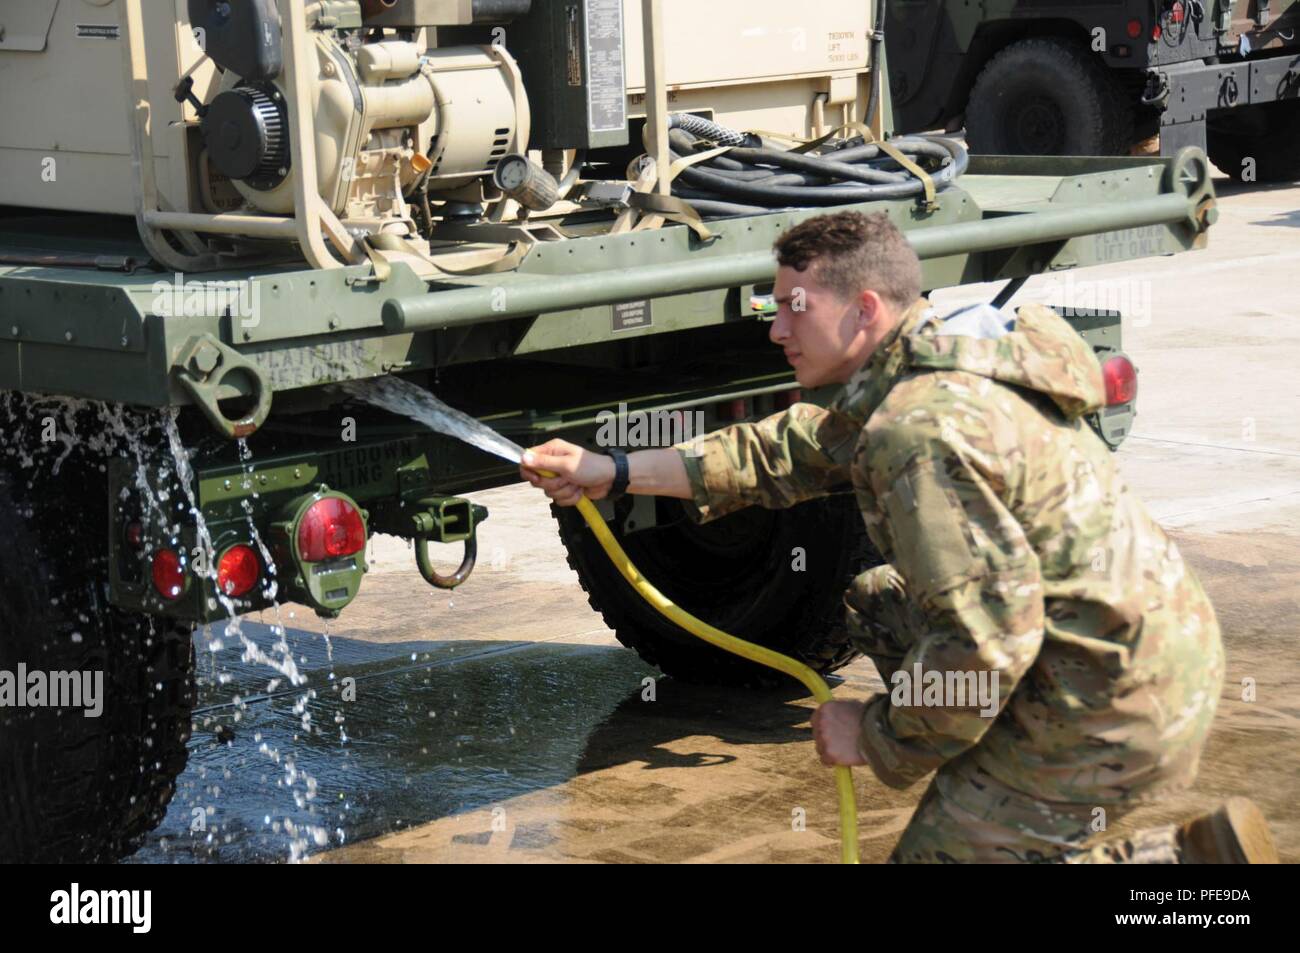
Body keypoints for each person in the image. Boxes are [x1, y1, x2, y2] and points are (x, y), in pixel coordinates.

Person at [519, 210, 1278, 863]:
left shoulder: (917, 432)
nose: (776, 328)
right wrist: (611, 469)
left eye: (794, 306)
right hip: (1152, 644)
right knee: (880, 600)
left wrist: (877, 733)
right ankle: (1195, 863)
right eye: (773, 306)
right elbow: (778, 452)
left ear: (865, 309)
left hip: (1111, 695)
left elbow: (984, 642)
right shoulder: (934, 366)